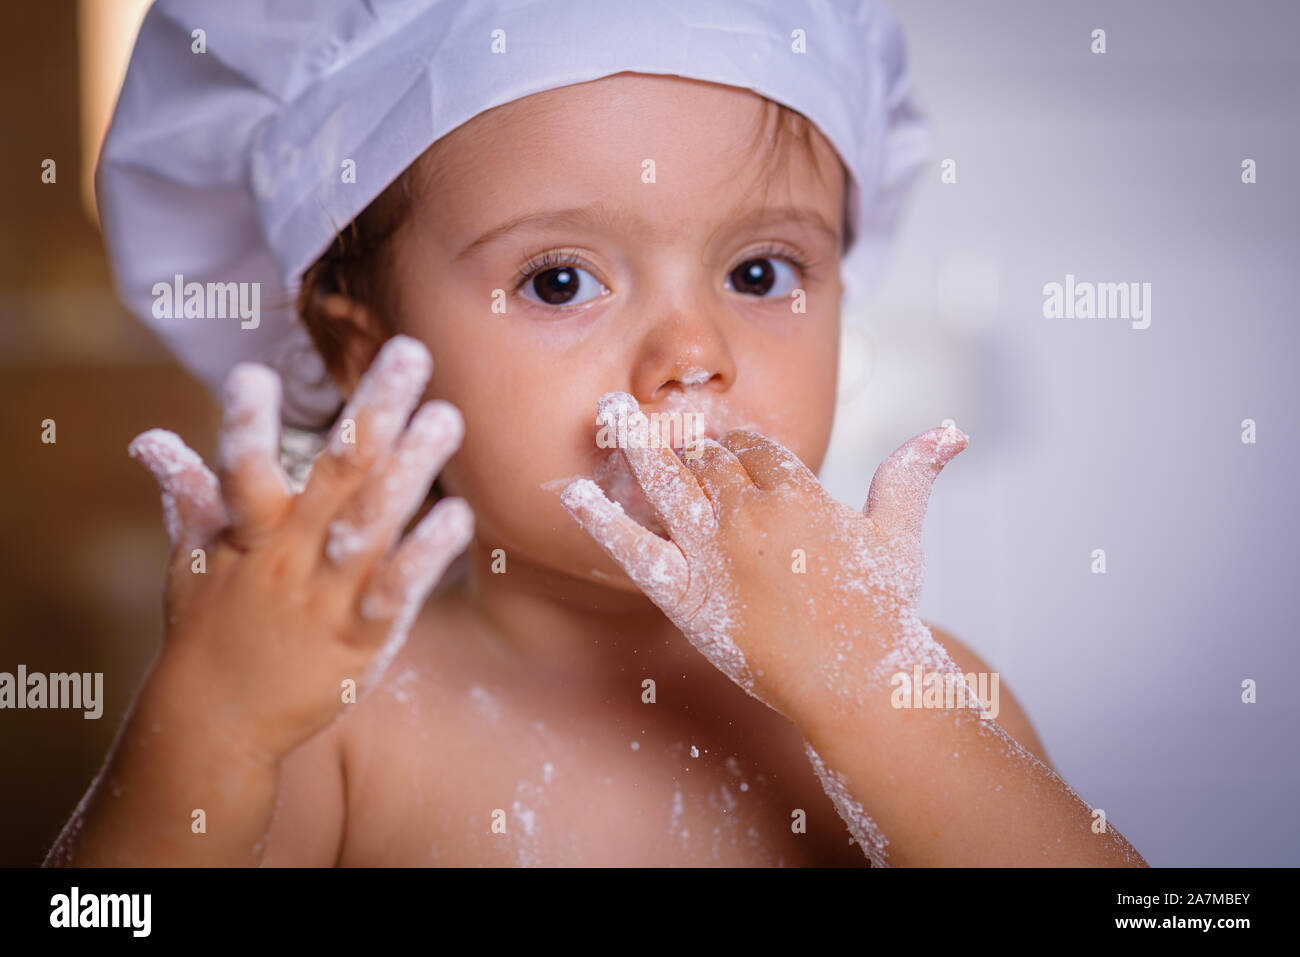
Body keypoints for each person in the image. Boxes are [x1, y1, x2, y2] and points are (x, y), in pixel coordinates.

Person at [46, 0, 1146, 866]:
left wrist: (870, 698)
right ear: (362, 350)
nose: (691, 352)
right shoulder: (337, 730)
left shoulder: (921, 690)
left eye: (760, 271)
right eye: (561, 279)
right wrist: (206, 741)